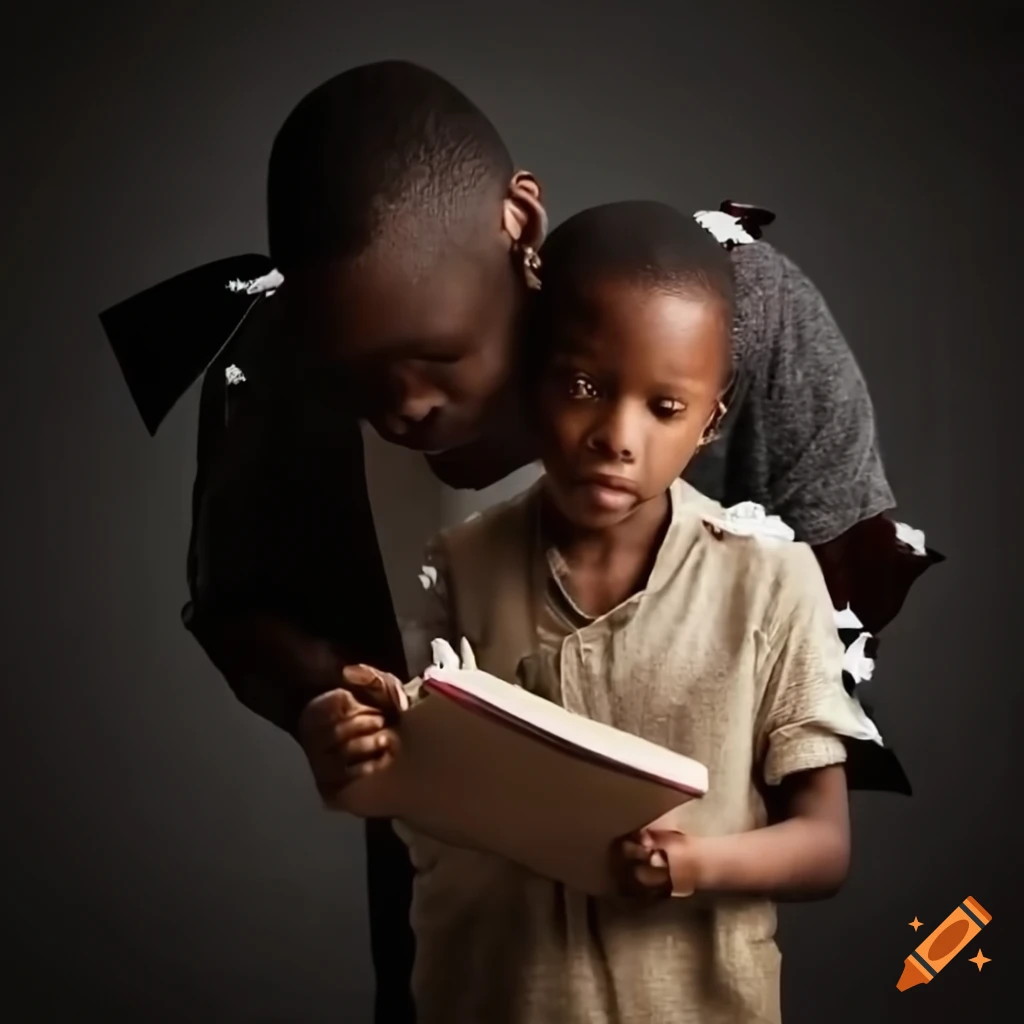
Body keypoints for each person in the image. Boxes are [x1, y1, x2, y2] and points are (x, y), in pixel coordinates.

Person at [99, 61, 939, 1023]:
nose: (404, 406)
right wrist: (326, 708)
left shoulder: (713, 314)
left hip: (688, 949)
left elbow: (838, 573)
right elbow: (237, 605)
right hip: (469, 952)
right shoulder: (274, 378)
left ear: (520, 225)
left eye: (438, 357)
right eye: (357, 381)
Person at [301, 201, 884, 1024]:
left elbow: (825, 849)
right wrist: (347, 748)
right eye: (582, 386)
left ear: (711, 421)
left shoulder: (774, 583)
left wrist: (694, 866)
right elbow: (413, 802)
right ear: (530, 377)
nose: (616, 435)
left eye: (665, 408)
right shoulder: (456, 568)